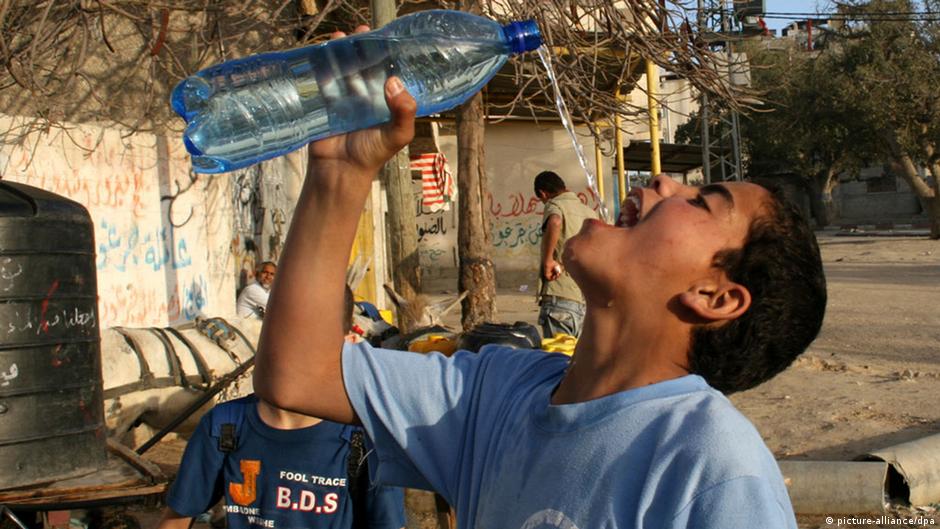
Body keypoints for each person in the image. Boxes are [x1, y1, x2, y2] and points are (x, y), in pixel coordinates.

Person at [254, 59, 827, 529]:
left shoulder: (710, 468)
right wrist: (339, 174)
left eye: (701, 201)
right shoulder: (494, 392)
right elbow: (299, 376)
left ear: (714, 296)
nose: (663, 181)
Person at [156, 284, 405, 529]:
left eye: (314, 335)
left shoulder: (367, 440)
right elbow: (177, 519)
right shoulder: (224, 426)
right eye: (282, 327)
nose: (292, 346)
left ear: (348, 343)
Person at [533, 170, 601, 338]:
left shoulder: (555, 205)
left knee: (558, 359)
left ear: (543, 193)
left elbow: (555, 222)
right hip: (584, 299)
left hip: (560, 294)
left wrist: (549, 260)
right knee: (577, 360)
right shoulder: (590, 213)